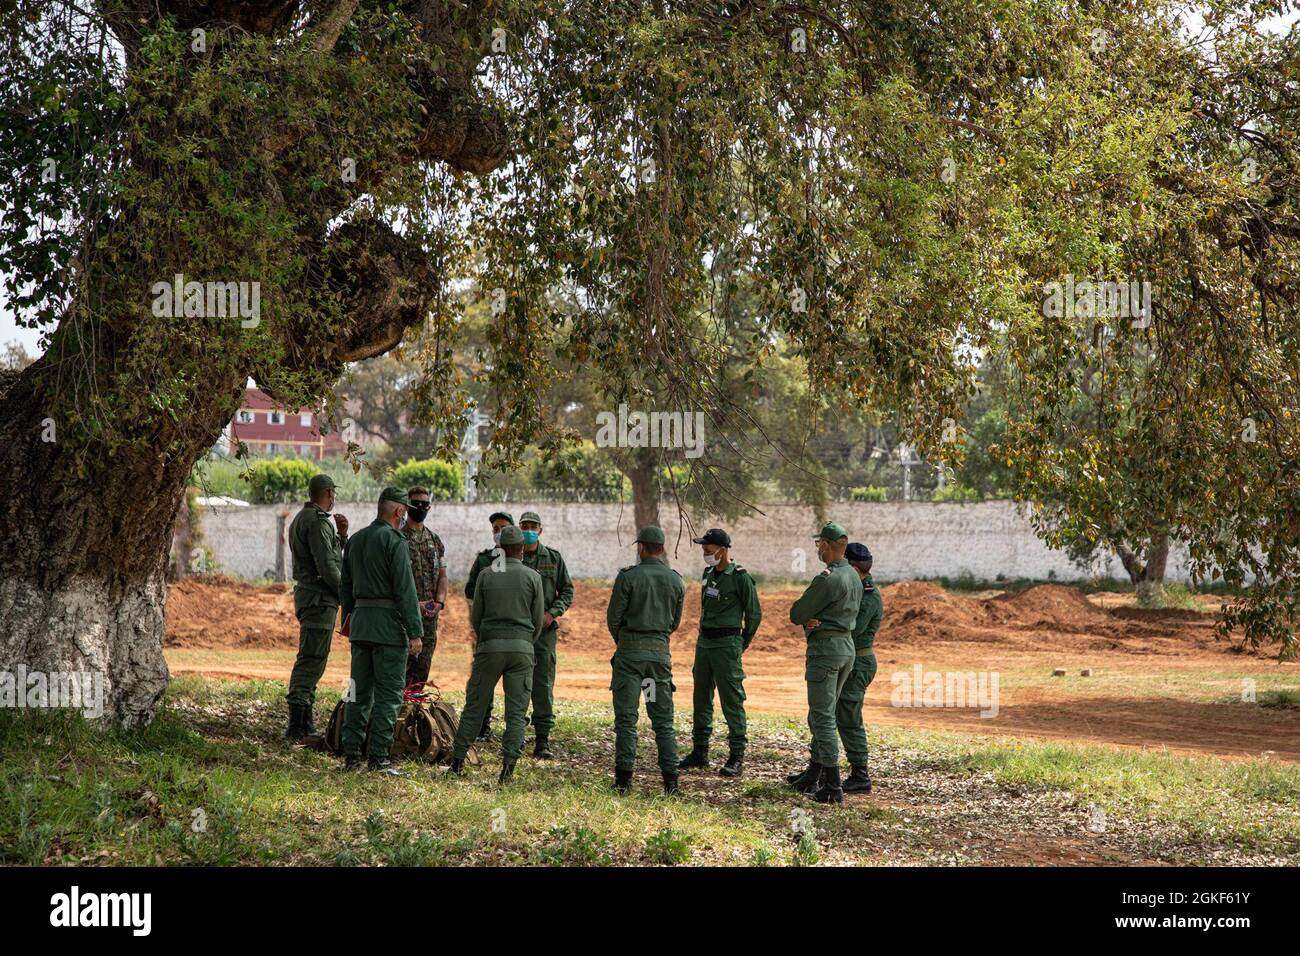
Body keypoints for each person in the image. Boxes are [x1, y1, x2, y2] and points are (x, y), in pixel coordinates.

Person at [446, 525, 544, 784]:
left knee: (475, 705)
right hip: (522, 649)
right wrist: (524, 641)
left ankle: (457, 762)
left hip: (489, 648)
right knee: (516, 712)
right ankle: (507, 769)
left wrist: (488, 638)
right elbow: (537, 619)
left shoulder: (486, 576)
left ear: (500, 549)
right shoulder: (533, 577)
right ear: (522, 549)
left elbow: (476, 617)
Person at [338, 487, 424, 775]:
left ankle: (351, 757)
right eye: (405, 511)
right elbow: (405, 589)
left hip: (361, 625)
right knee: (388, 695)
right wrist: (415, 631)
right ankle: (379, 759)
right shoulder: (395, 541)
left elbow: (345, 587)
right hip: (388, 629)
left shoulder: (357, 540)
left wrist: (349, 620)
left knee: (357, 693)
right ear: (399, 511)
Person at [606, 526, 685, 796]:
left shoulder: (628, 577)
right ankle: (671, 783)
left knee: (627, 719)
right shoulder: (675, 580)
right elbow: (674, 622)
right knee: (662, 720)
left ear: (641, 547)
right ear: (662, 548)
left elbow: (614, 618)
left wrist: (626, 640)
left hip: (630, 656)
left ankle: (624, 781)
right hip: (658, 657)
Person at [786, 521, 861, 803]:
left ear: (827, 545)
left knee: (822, 716)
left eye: (819, 544)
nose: (817, 548)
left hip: (826, 650)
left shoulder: (828, 578)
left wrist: (808, 620)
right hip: (846, 647)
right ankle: (814, 774)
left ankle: (832, 785)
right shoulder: (854, 576)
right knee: (825, 711)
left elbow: (797, 613)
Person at [677, 528, 760, 777]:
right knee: (700, 698)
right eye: (703, 547)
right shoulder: (708, 574)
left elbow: (754, 614)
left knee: (731, 700)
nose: (704, 552)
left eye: (708, 548)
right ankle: (700, 752)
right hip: (705, 645)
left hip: (727, 644)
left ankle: (736, 756)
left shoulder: (740, 577)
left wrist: (741, 643)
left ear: (722, 550)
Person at [285, 473, 348, 741]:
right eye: (333, 493)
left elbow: (326, 555)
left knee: (312, 657)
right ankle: (297, 724)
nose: (334, 498)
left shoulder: (302, 518)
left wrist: (342, 536)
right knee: (312, 659)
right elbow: (327, 567)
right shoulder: (318, 523)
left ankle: (304, 720)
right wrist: (348, 594)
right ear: (328, 493)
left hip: (310, 597)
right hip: (318, 599)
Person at [518, 510, 573, 759]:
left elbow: (567, 591)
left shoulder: (553, 558)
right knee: (517, 683)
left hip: (545, 634)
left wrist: (553, 613)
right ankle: (516, 733)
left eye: (533, 526)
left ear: (540, 530)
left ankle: (542, 740)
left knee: (542, 684)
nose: (528, 529)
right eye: (524, 525)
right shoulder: (511, 557)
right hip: (518, 632)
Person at [463, 510, 513, 741]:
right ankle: (483, 726)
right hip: (488, 629)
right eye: (495, 529)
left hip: (515, 630)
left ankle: (515, 730)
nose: (499, 532)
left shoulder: (522, 558)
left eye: (503, 528)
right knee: (484, 680)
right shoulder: (484, 559)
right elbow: (470, 590)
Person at [837, 542, 882, 794]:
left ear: (854, 567)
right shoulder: (854, 590)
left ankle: (860, 774)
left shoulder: (868, 595)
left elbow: (852, 628)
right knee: (827, 713)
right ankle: (819, 768)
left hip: (859, 662)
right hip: (848, 659)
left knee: (849, 716)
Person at [403, 486, 447, 688]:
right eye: (416, 503)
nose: (420, 507)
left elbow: (442, 574)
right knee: (402, 666)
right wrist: (413, 604)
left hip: (429, 618)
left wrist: (439, 602)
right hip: (405, 615)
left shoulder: (435, 540)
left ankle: (415, 711)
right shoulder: (398, 537)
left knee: (423, 666)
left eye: (424, 504)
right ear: (406, 505)